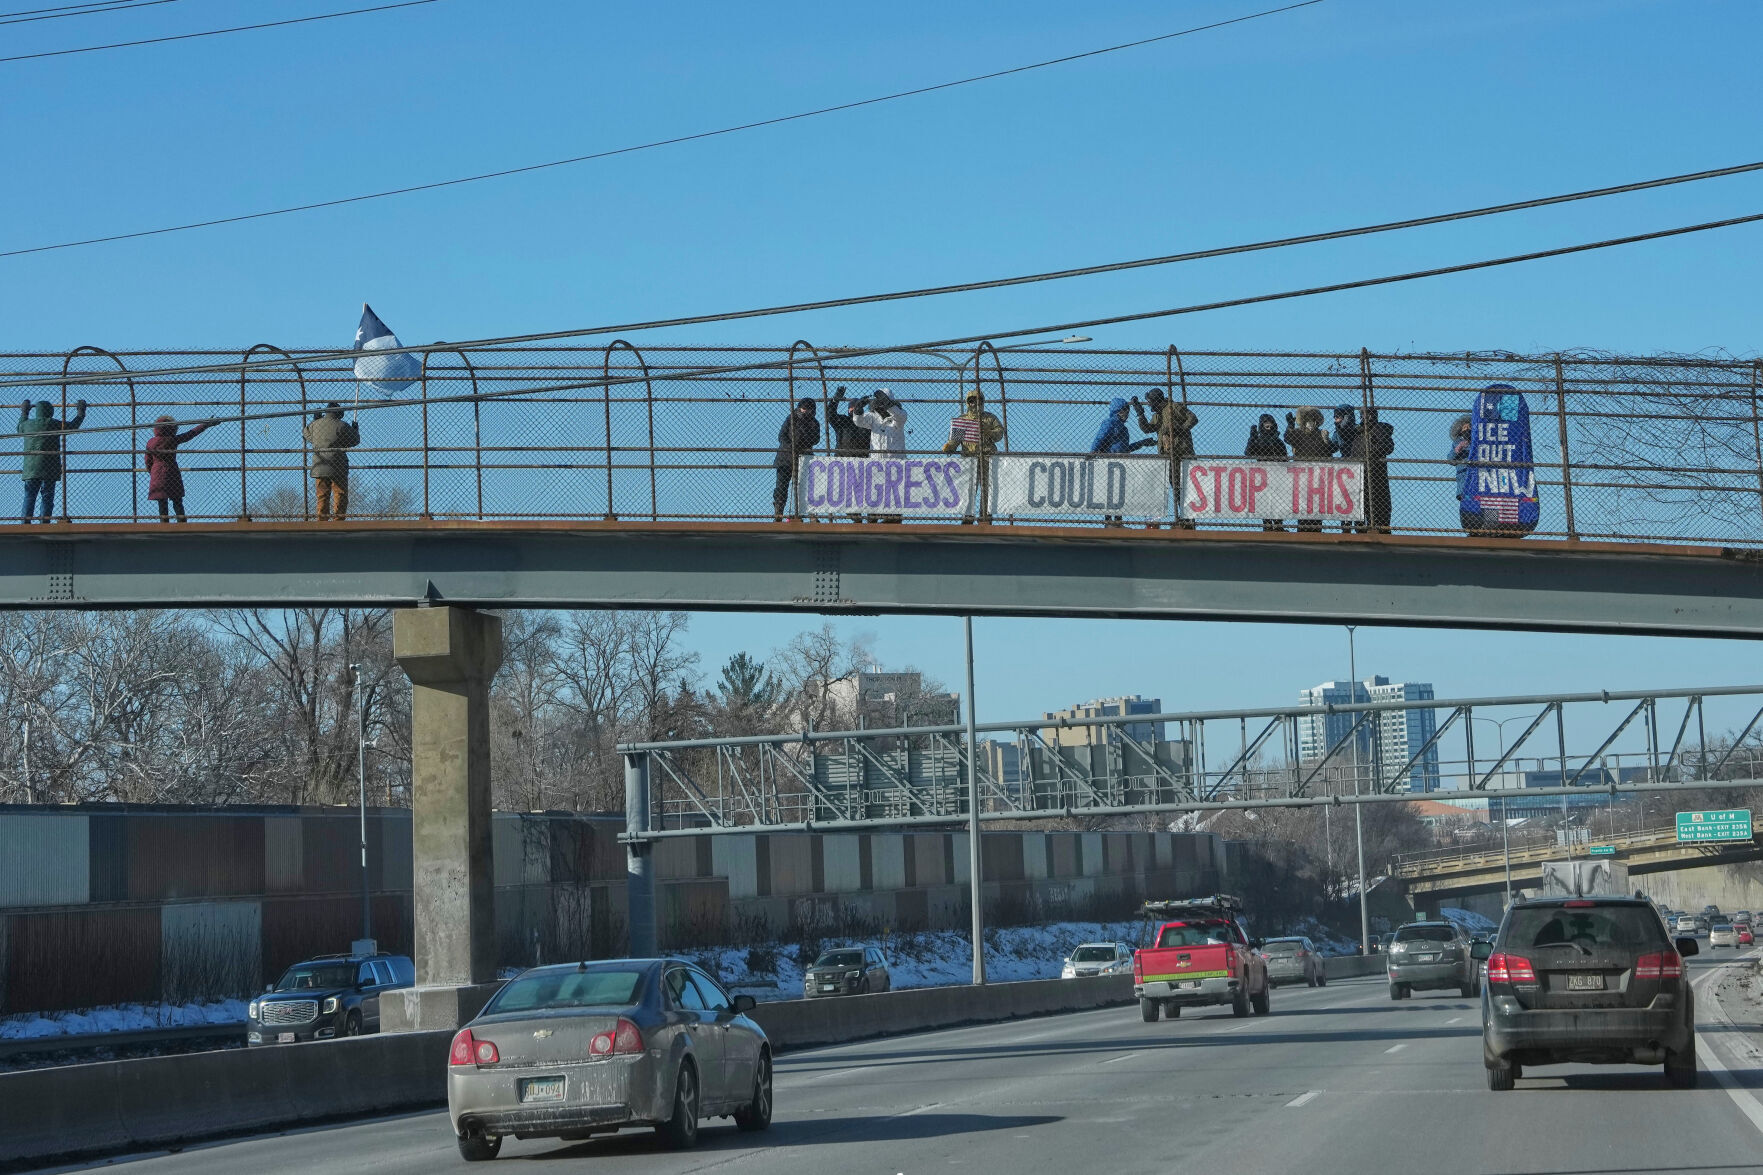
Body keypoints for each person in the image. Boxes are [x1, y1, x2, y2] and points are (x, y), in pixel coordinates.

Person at [1133, 386, 1199, 529]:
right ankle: (1181, 518)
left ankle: (1188, 520)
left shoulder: (1173, 408)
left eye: (1150, 402)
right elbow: (1147, 429)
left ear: (1156, 401)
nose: (1149, 405)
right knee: (1175, 488)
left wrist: (1181, 429)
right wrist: (1140, 413)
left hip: (1182, 455)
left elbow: (1193, 418)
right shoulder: (1158, 415)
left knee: (1185, 488)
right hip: (1167, 458)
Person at [17, 398, 87, 523]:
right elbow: (73, 426)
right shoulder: (53, 424)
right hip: (50, 467)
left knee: (29, 496)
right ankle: (44, 522)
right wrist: (81, 412)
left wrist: (24, 411)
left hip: (31, 468)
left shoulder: (28, 425)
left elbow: (19, 427)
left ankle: (25, 523)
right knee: (47, 497)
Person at [1089, 397, 1156, 526]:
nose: (1127, 414)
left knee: (1119, 492)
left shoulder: (1124, 429)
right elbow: (1099, 438)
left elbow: (1125, 449)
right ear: (1118, 411)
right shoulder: (1110, 423)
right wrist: (1092, 453)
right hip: (1109, 462)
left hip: (1120, 463)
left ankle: (1118, 521)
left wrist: (1142, 443)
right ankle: (1108, 521)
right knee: (1110, 492)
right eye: (1125, 411)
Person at [942, 390, 1003, 522]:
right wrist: (950, 446)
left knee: (987, 487)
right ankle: (967, 516)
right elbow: (956, 439)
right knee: (968, 487)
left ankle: (985, 515)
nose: (974, 403)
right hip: (969, 459)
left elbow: (999, 434)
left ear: (982, 402)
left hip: (987, 457)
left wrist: (988, 431)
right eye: (971, 400)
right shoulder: (962, 420)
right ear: (967, 402)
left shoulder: (989, 418)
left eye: (978, 400)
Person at [144, 415, 216, 523]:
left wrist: (152, 471)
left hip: (157, 472)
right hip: (171, 471)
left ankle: (164, 524)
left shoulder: (151, 442)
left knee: (162, 502)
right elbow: (190, 434)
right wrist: (205, 425)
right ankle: (182, 523)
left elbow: (147, 460)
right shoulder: (172, 440)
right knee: (177, 500)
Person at [853, 389, 909, 523]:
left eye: (884, 402)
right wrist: (858, 409)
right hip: (876, 465)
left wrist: (889, 405)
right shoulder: (872, 417)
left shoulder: (899, 417)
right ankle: (872, 521)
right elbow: (858, 421)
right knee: (874, 496)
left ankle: (893, 520)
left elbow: (900, 417)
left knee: (894, 498)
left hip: (895, 466)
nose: (881, 405)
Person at [303, 403, 361, 522]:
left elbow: (306, 434)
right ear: (339, 413)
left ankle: (322, 519)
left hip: (320, 465)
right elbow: (354, 441)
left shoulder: (316, 425)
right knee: (340, 494)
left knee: (322, 495)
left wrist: (315, 420)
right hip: (338, 465)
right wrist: (355, 430)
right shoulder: (342, 425)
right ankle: (338, 520)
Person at [771, 397, 821, 521]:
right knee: (782, 487)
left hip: (804, 459)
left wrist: (802, 441)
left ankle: (811, 516)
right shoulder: (791, 418)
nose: (803, 411)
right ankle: (778, 514)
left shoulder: (814, 423)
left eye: (806, 409)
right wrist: (792, 446)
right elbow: (782, 436)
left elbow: (815, 439)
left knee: (807, 487)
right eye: (802, 408)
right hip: (785, 458)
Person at [1283, 406, 1331, 532]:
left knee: (1317, 507)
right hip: (1302, 477)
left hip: (1318, 476)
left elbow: (1329, 453)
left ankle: (1316, 530)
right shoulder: (1299, 433)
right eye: (1308, 420)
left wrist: (1326, 441)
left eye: (1313, 420)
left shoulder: (1321, 434)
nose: (1310, 423)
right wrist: (1290, 425)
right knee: (1303, 506)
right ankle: (1303, 530)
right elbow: (1288, 438)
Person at [1351, 407, 1395, 534]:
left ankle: (1380, 529)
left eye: (1368, 415)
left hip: (1376, 473)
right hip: (1360, 473)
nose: (1365, 418)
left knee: (1379, 504)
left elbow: (1388, 448)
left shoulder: (1379, 430)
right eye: (1363, 415)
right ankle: (1361, 530)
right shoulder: (1357, 433)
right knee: (1361, 504)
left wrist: (1375, 444)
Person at [1244, 412, 1289, 532]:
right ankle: (1267, 524)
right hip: (1262, 476)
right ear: (1261, 425)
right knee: (1263, 499)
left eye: (1270, 422)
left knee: (1278, 500)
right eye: (1265, 422)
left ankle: (1278, 524)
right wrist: (1252, 436)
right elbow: (1248, 453)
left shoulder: (1278, 442)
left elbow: (1285, 459)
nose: (1267, 424)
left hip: (1277, 475)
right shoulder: (1258, 440)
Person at [1330, 405, 1362, 533]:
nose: (1335, 420)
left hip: (1357, 465)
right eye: (1335, 417)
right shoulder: (1337, 433)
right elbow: (1332, 448)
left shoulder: (1357, 430)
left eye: (1338, 417)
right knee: (1344, 495)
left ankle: (1359, 524)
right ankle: (1346, 524)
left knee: (1358, 494)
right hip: (1344, 467)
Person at [1448, 414, 1478, 534]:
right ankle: (1470, 529)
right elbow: (1450, 459)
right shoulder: (1457, 442)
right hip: (1464, 477)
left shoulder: (1478, 440)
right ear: (1459, 430)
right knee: (1466, 504)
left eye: (1469, 427)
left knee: (1479, 503)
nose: (1467, 430)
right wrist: (1458, 449)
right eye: (1464, 428)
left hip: (1478, 477)